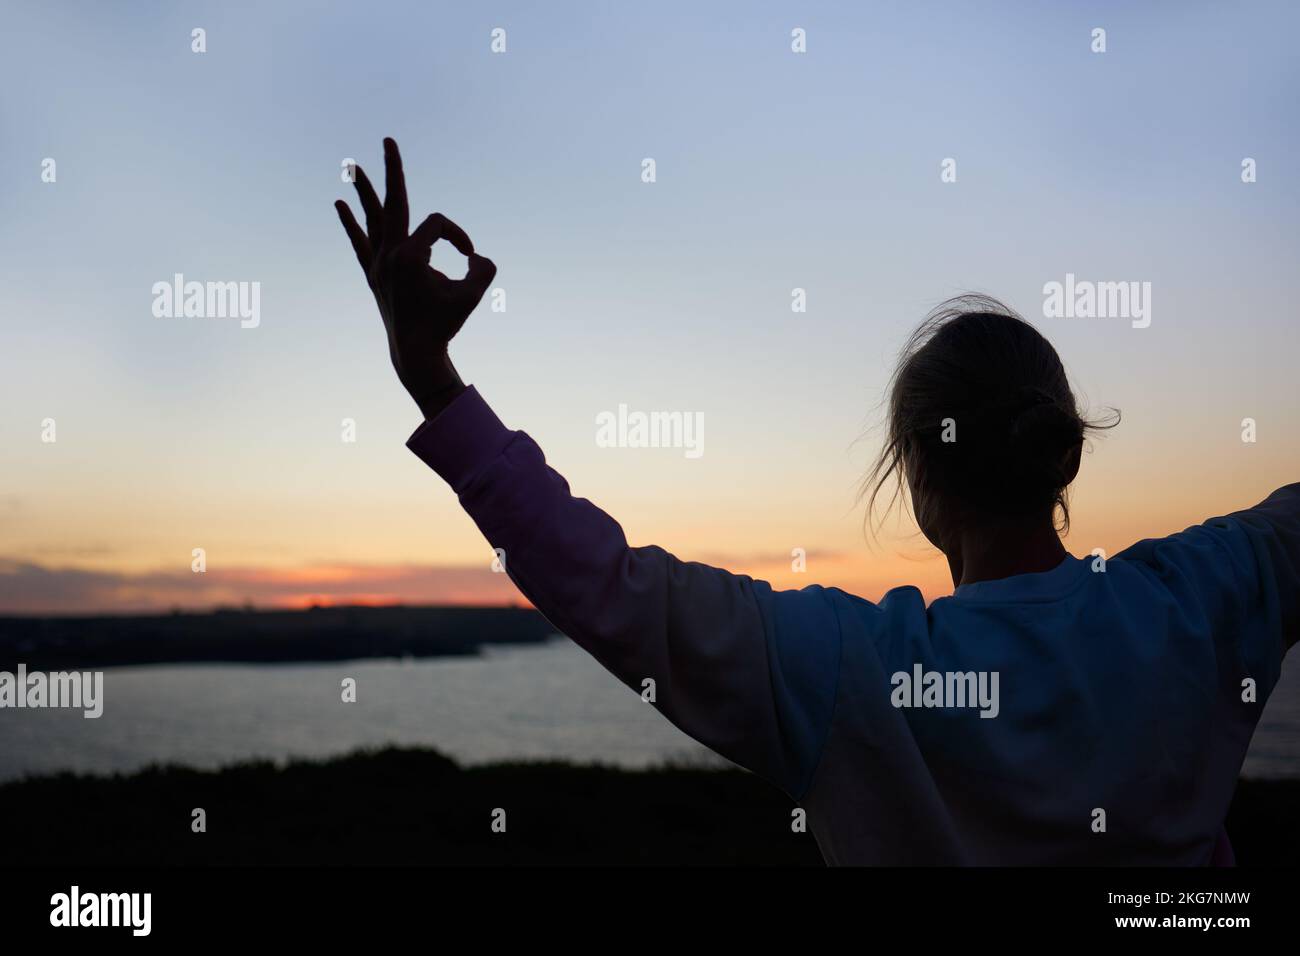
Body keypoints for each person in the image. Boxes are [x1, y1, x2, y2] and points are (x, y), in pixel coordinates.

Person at [335, 138, 1299, 865]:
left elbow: (612, 589)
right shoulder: (1201, 596)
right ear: (1062, 456)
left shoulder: (851, 670)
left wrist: (432, 377)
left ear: (918, 472)